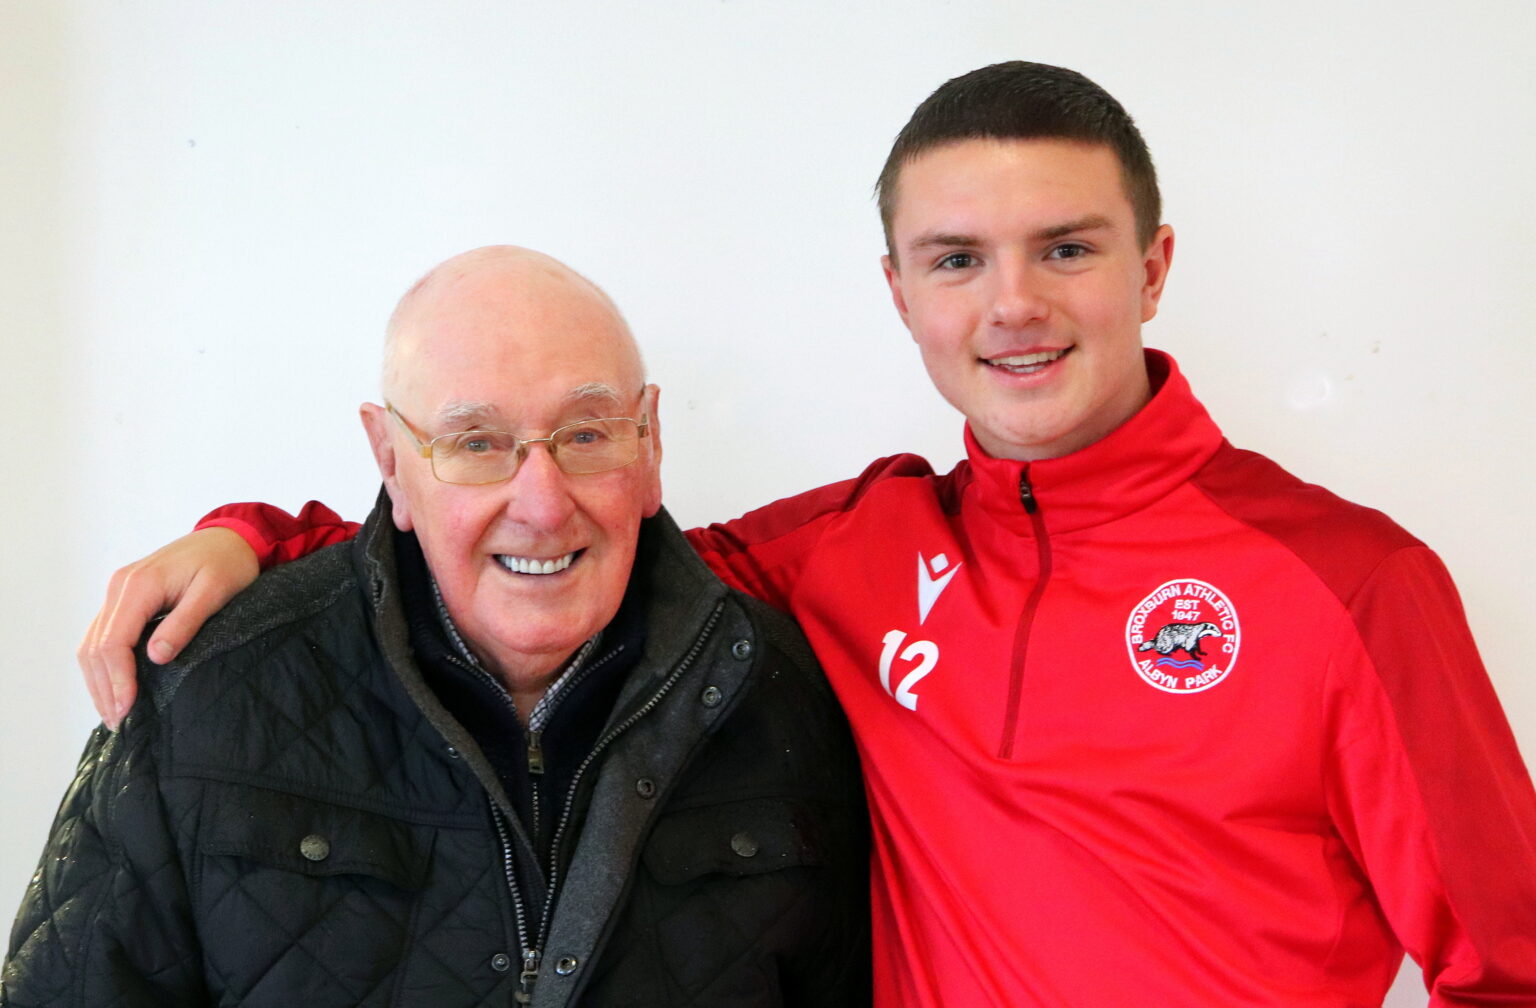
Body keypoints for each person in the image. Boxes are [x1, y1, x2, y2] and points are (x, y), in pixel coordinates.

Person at [71, 63, 1536, 1005]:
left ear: (1152, 267)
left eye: (1067, 249)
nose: (1012, 305)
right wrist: (254, 534)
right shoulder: (852, 546)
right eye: (958, 260)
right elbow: (555, 522)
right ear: (900, 292)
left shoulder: (1355, 586)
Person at [3, 247, 871, 1007]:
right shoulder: (205, 693)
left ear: (648, 445)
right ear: (389, 461)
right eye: (477, 442)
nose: (541, 502)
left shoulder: (782, 692)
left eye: (586, 433)